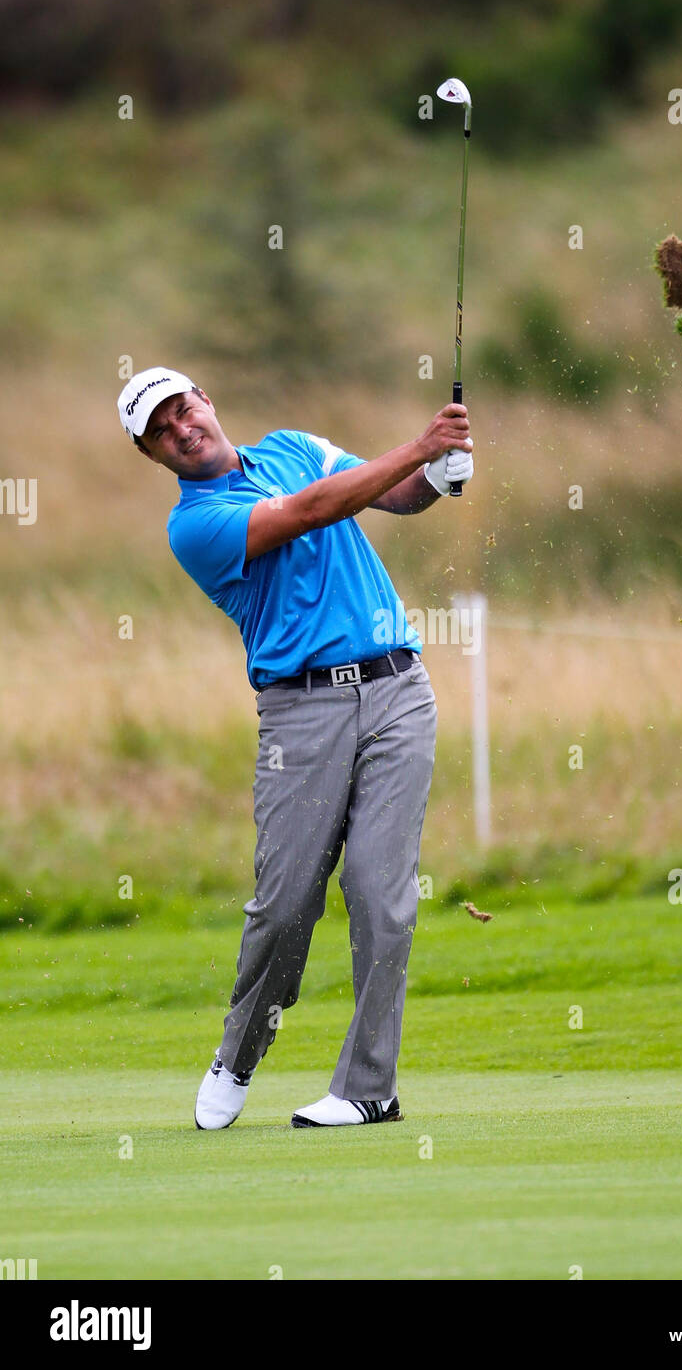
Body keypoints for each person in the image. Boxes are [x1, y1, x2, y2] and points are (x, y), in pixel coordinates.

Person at [116, 367, 474, 1129]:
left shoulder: (293, 446)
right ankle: (238, 1056)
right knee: (286, 907)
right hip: (299, 714)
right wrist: (418, 445)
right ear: (154, 457)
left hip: (398, 692)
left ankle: (368, 1088)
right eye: (161, 431)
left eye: (184, 408)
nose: (181, 428)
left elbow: (392, 497)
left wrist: (438, 474)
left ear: (206, 399)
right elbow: (311, 511)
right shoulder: (195, 527)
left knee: (383, 897)